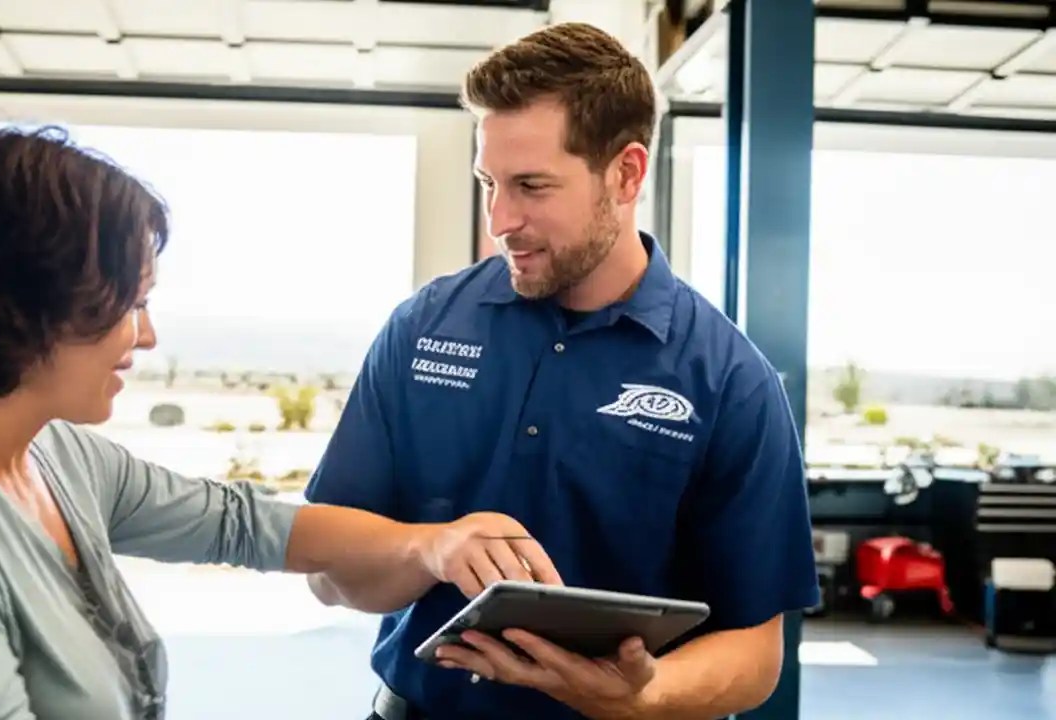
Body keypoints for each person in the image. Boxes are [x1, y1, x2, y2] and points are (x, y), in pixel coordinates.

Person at [0, 126, 563, 720]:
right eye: (132, 304)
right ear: (33, 302)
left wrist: (434, 543)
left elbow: (238, 523)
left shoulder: (54, 457)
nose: (148, 335)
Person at [304, 22, 821, 720]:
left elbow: (756, 653)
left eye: (531, 186)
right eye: (489, 182)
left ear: (627, 174)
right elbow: (331, 576)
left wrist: (644, 696)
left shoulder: (729, 382)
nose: (501, 219)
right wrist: (431, 549)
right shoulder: (423, 328)